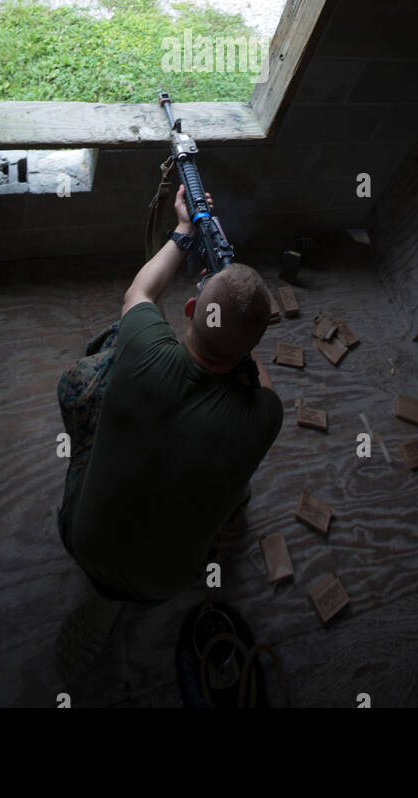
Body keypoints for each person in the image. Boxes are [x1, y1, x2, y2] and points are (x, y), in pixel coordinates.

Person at [54, 184, 283, 689]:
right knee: (231, 484)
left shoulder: (143, 349)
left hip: (82, 540)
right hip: (168, 582)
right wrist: (241, 331)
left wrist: (182, 230)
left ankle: (105, 604)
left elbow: (140, 293)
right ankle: (119, 599)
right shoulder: (266, 417)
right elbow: (260, 380)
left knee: (87, 378)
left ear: (188, 312)